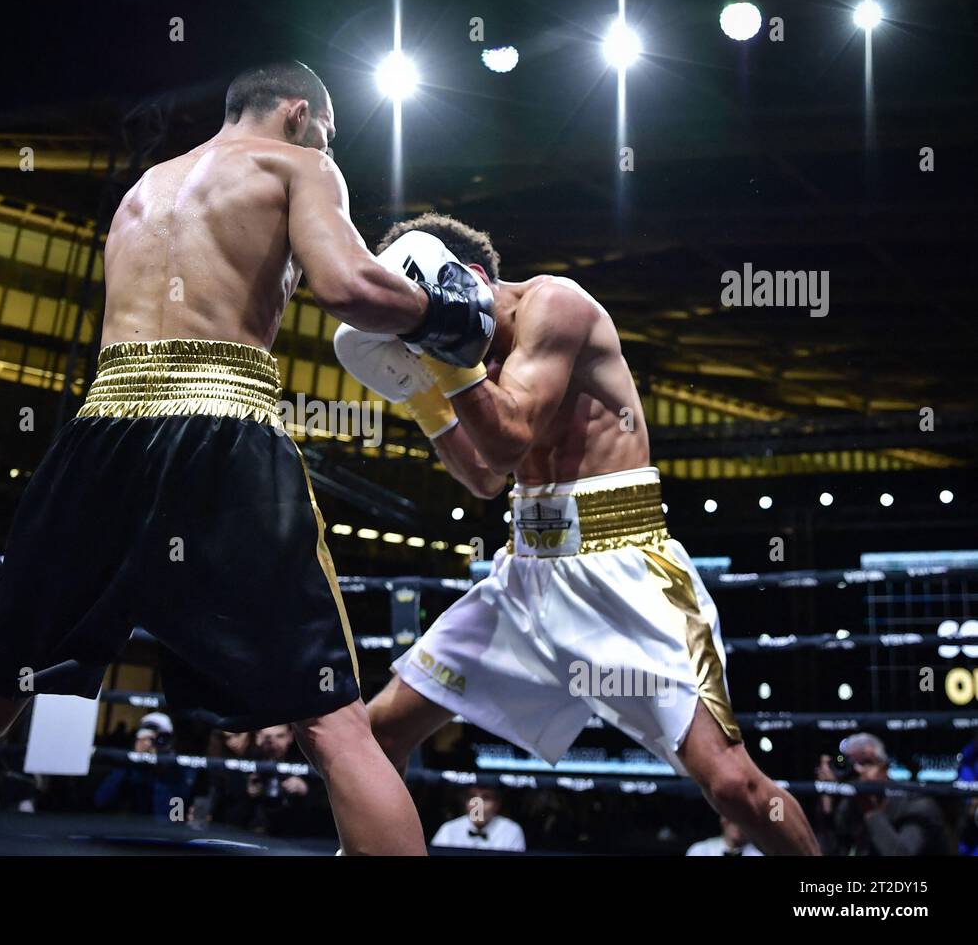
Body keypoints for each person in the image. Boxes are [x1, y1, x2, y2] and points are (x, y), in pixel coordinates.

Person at [0, 63, 495, 855]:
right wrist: (448, 316)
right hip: (220, 429)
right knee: (331, 721)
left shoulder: (143, 190)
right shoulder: (300, 163)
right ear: (299, 115)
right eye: (327, 135)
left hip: (99, 435)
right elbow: (350, 286)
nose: (329, 150)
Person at [336, 212, 820, 855]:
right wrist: (425, 391)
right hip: (525, 575)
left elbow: (507, 441)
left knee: (733, 787)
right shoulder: (464, 357)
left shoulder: (555, 306)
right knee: (379, 734)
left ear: (468, 282)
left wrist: (447, 354)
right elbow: (484, 479)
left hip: (622, 570)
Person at [814, 732, 950, 856]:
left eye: (866, 762)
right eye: (852, 764)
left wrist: (870, 812)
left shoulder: (918, 804)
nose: (858, 771)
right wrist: (827, 805)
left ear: (885, 768)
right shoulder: (849, 806)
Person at [431, 785, 526, 852]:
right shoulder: (448, 829)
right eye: (472, 797)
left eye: (486, 798)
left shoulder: (512, 830)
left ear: (497, 804)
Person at [686, 815, 763, 856]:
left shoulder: (761, 853)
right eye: (733, 817)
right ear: (723, 819)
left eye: (744, 820)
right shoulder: (700, 850)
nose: (739, 824)